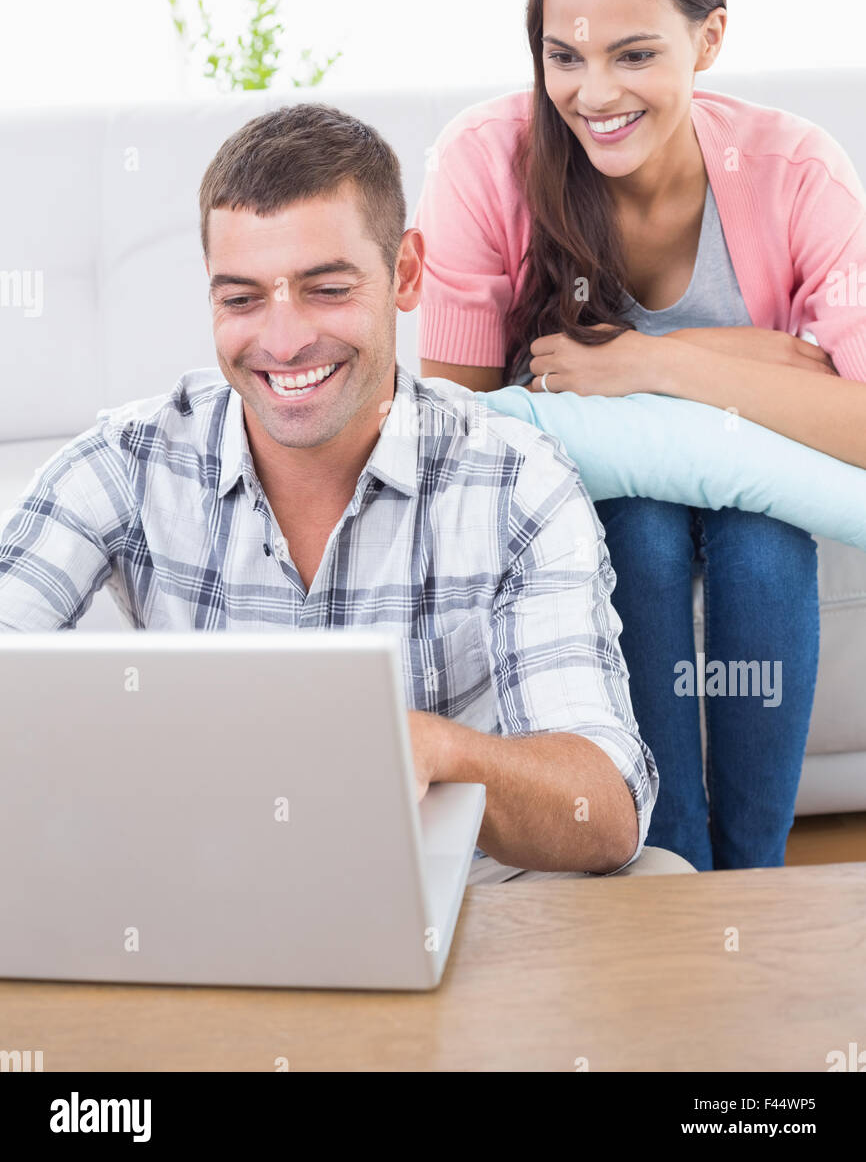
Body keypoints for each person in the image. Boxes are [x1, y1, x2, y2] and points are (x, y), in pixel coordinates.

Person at [0, 100, 692, 884]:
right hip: (203, 894)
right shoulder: (125, 463)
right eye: (241, 298)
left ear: (404, 274)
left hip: (464, 908)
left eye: (327, 289)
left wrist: (437, 752)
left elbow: (604, 808)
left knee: (659, 879)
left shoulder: (515, 483)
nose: (284, 339)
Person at [414, 0, 866, 872]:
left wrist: (658, 362)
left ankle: (750, 873)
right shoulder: (485, 163)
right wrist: (759, 353)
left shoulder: (794, 171)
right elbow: (449, 421)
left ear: (706, 41)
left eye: (633, 55)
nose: (594, 94)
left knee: (758, 544)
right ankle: (669, 870)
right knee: (641, 537)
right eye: (562, 57)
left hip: (753, 496)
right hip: (600, 496)